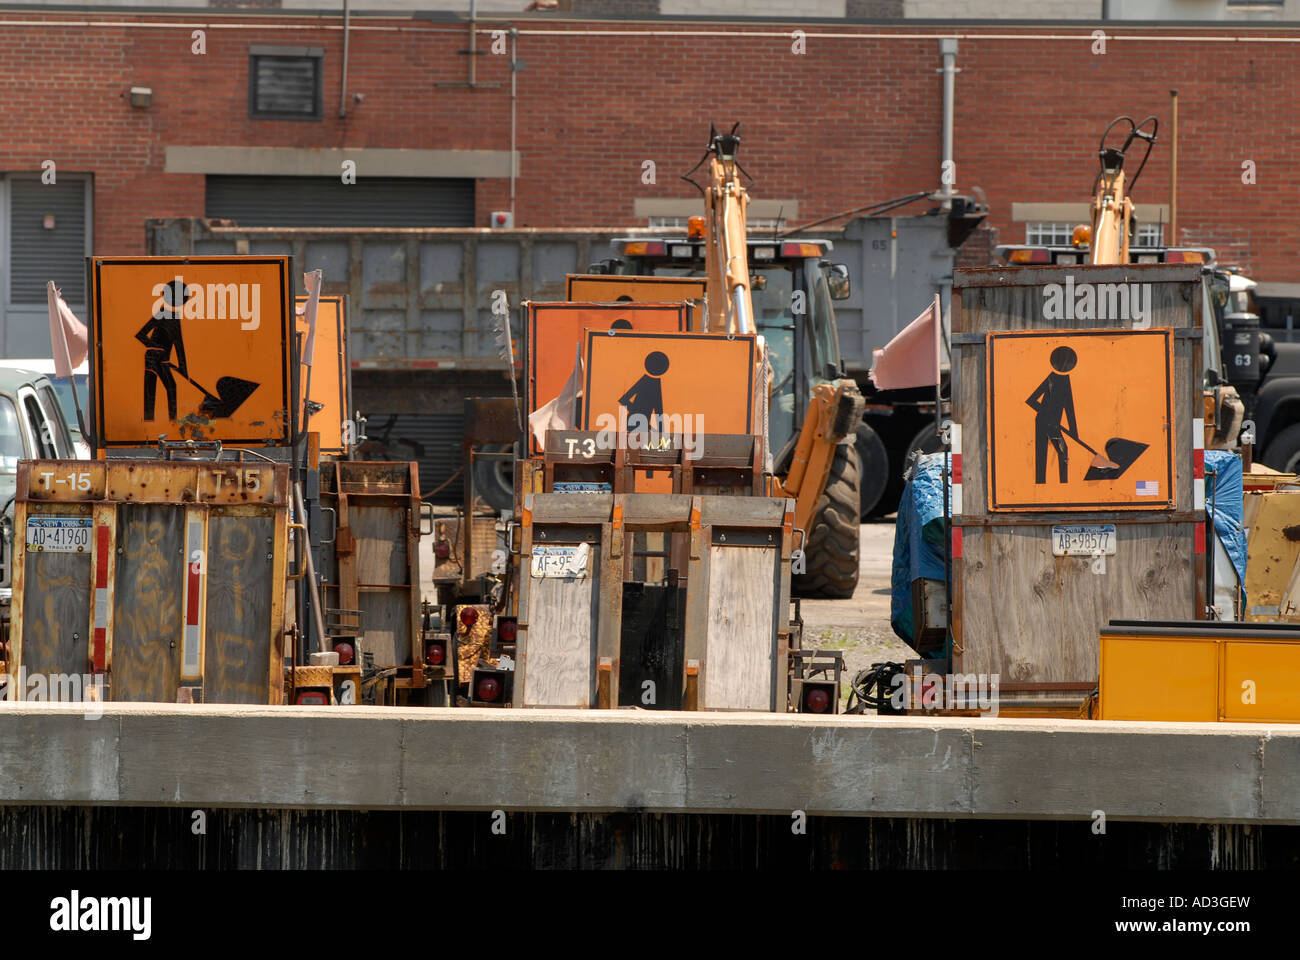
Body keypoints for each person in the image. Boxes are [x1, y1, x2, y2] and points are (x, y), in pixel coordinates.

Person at [137, 279, 188, 422]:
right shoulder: (161, 313)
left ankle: (172, 423)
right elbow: (140, 334)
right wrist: (154, 347)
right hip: (152, 359)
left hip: (164, 361)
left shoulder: (175, 317)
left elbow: (179, 345)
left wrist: (184, 369)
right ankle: (149, 422)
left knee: (172, 387)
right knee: (151, 391)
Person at [1025, 346, 1078, 484]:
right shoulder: (1051, 378)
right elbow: (1031, 400)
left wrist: (1074, 432)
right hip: (1042, 422)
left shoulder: (1066, 380)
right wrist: (1046, 413)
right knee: (1041, 455)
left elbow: (1069, 407)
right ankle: (1040, 484)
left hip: (1054, 424)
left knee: (1063, 451)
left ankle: (1063, 484)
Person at [618, 350, 669, 434]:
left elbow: (658, 411)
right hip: (632, 424)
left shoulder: (656, 383)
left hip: (642, 428)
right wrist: (637, 412)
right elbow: (623, 400)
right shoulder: (645, 381)